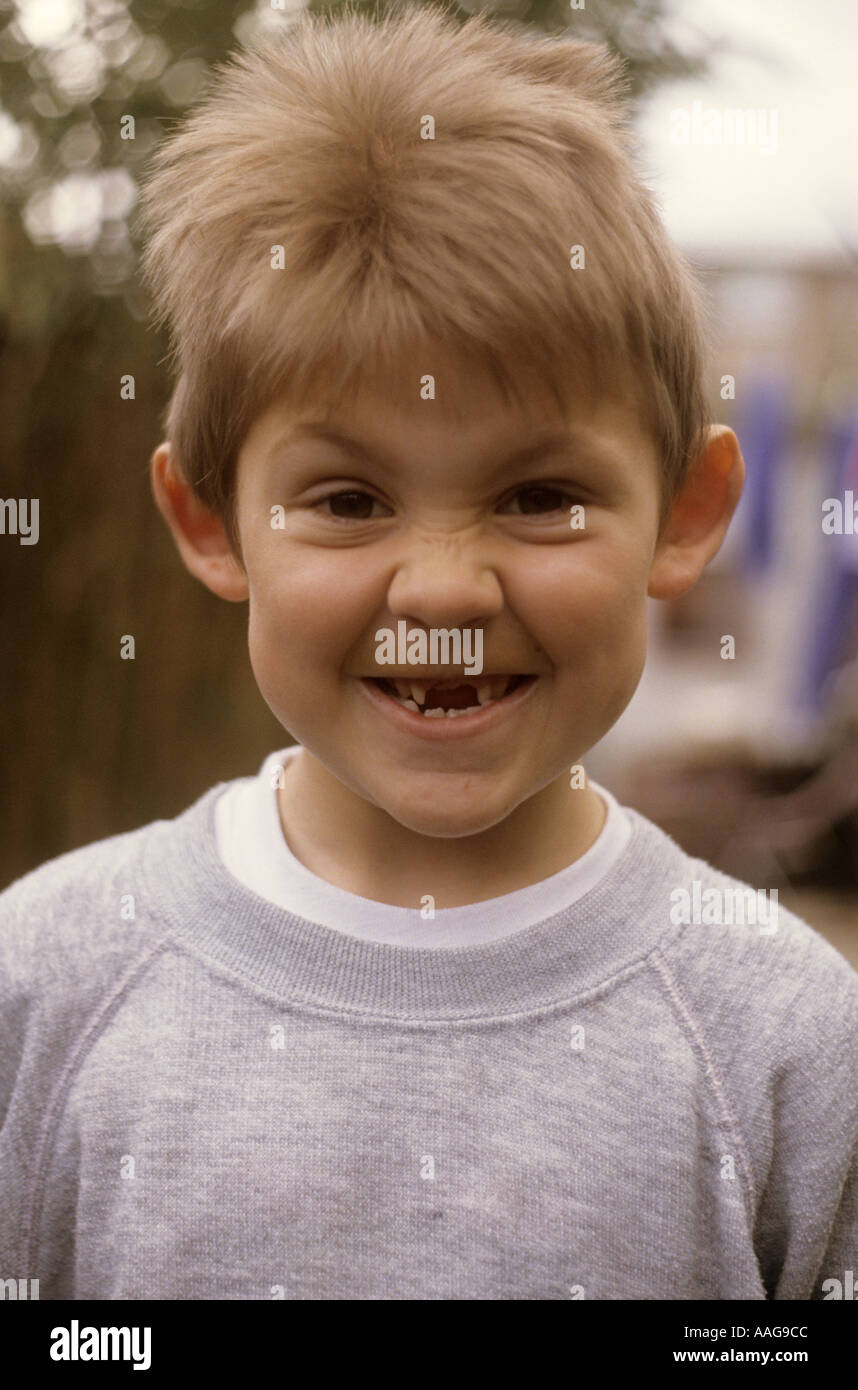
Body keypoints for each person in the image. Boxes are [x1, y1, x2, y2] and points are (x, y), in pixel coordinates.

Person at [1, 3, 855, 1300]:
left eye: (537, 495)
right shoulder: (45, 982)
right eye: (346, 501)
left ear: (683, 515)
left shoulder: (789, 1039)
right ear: (208, 522)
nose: (443, 588)